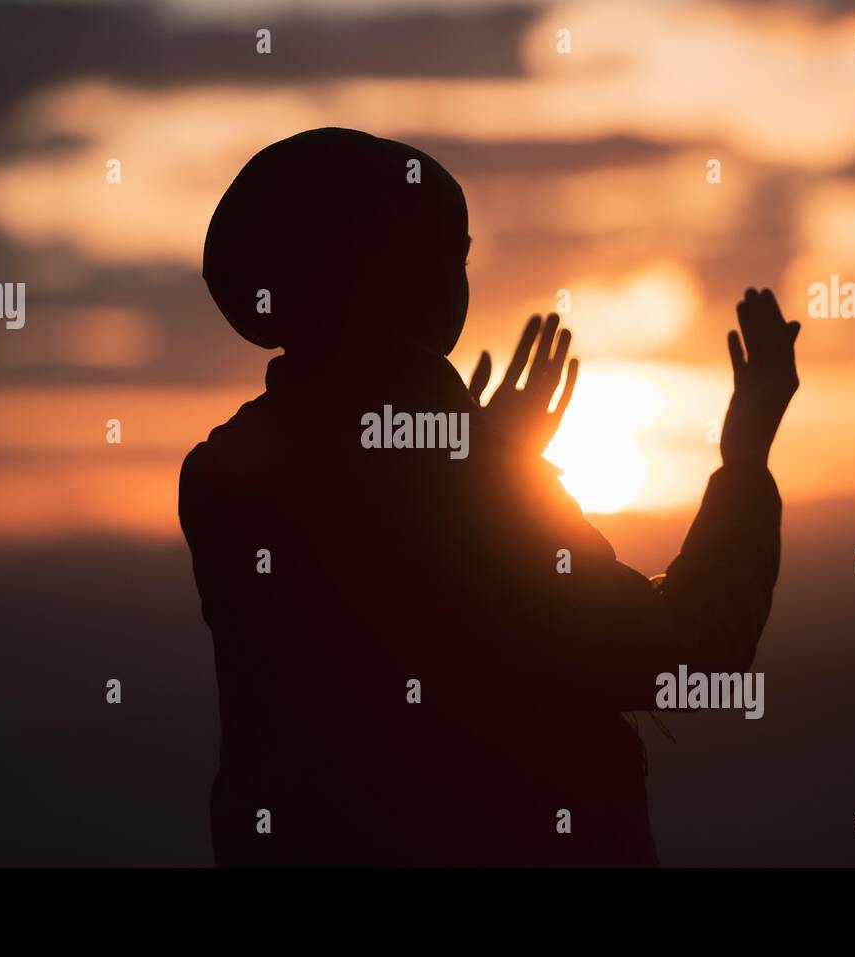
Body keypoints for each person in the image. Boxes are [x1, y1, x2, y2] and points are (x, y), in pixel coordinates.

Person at [179, 127, 800, 866]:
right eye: (450, 256)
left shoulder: (221, 474)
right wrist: (744, 463)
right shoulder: (465, 483)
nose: (459, 284)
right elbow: (687, 652)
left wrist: (485, 454)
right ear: (397, 280)